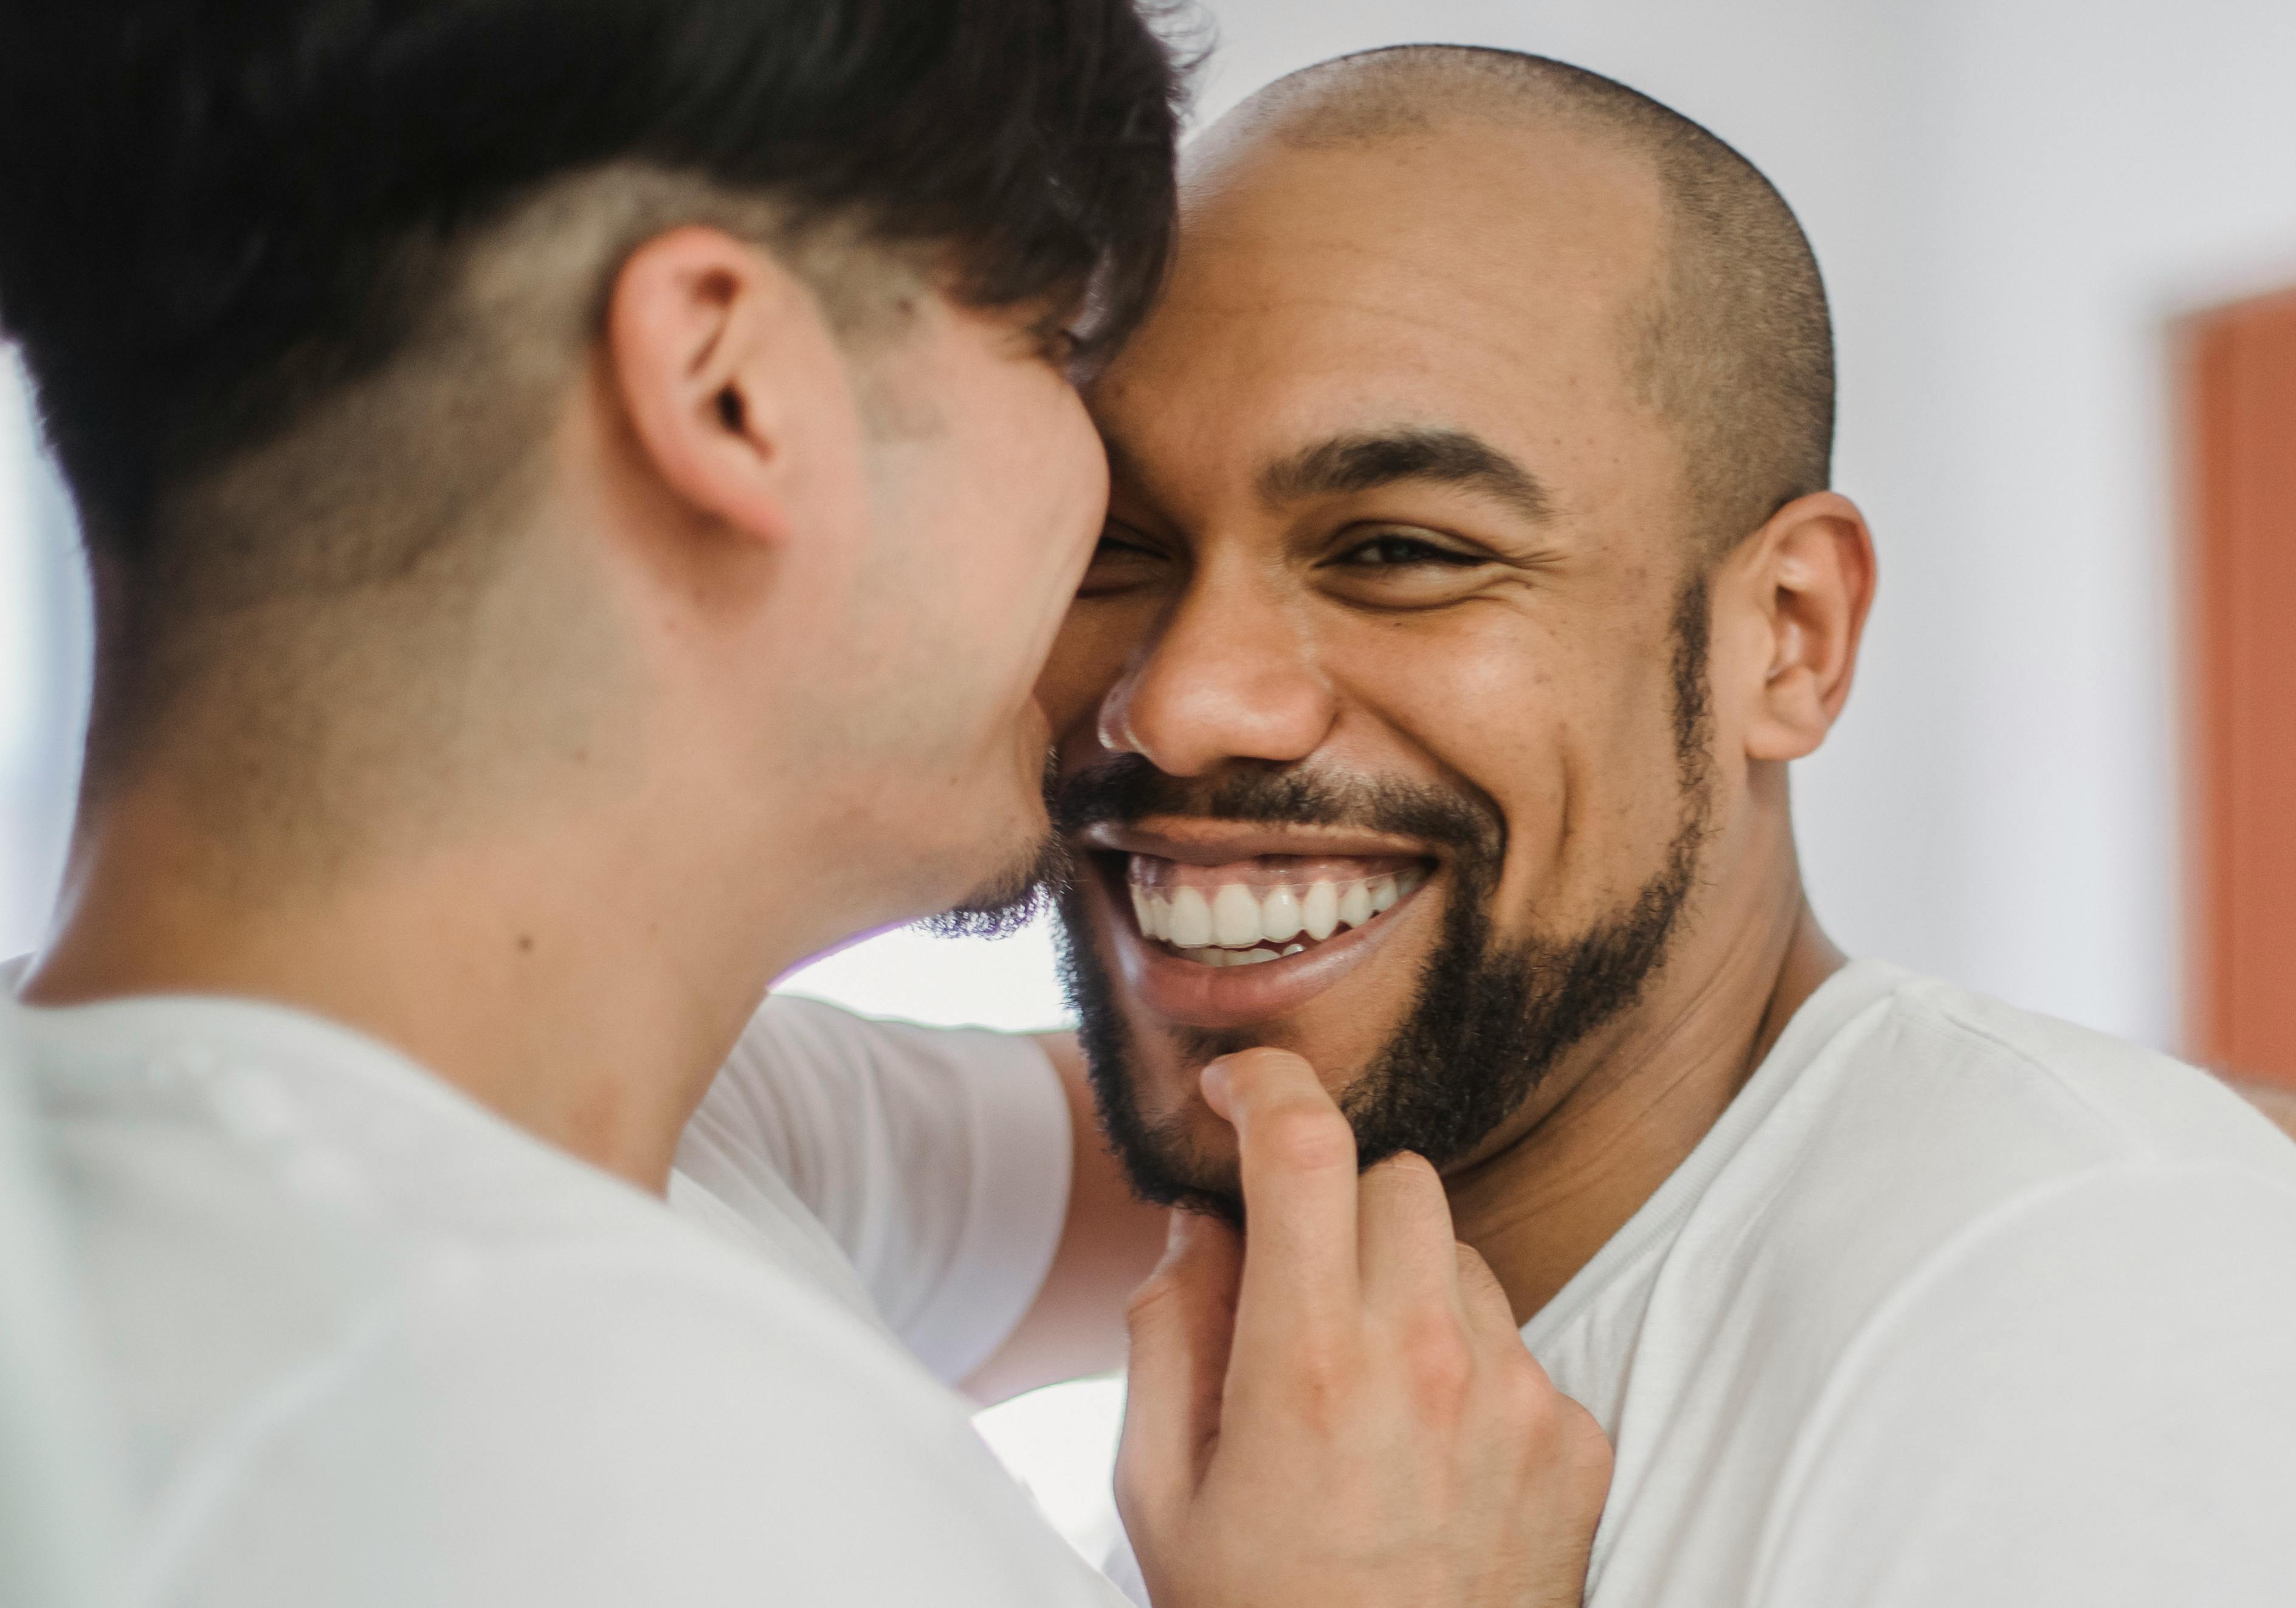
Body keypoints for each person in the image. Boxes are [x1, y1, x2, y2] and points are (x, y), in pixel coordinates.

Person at [671, 43, 2296, 1607]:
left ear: (1784, 638)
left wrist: (2133, 1172)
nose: (1189, 700)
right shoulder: (1279, 1202)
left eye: (1399, 552)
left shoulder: (2101, 1373)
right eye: (1115, 550)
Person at [0, 7, 1612, 1605]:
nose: (1174, 682)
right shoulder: (672, 1496)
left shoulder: (538, 1140)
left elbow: (1241, 1126)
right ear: (728, 391)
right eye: (1056, 358)